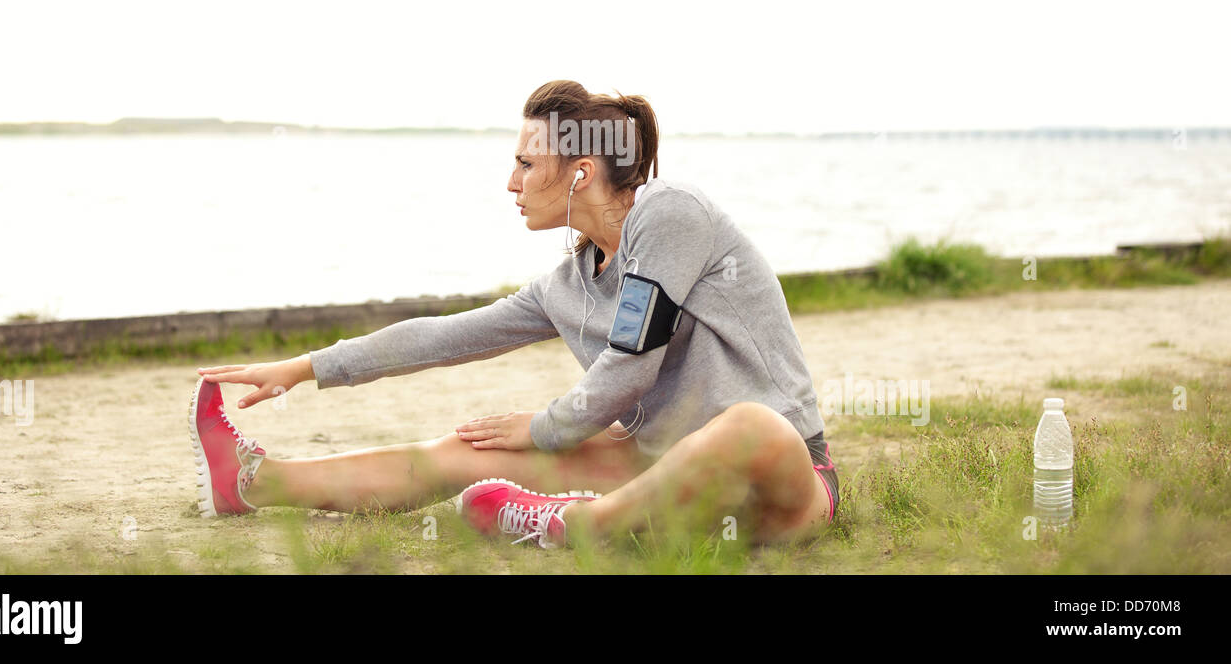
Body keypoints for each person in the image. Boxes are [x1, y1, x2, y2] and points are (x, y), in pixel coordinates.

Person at [190, 80, 838, 549]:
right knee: (464, 449)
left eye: (527, 164)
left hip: (782, 483)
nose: (511, 183)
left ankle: (578, 524)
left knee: (748, 424)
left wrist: (546, 427)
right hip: (657, 470)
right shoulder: (567, 285)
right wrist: (303, 368)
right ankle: (253, 483)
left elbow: (632, 363)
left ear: (581, 173)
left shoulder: (671, 213)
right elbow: (446, 337)